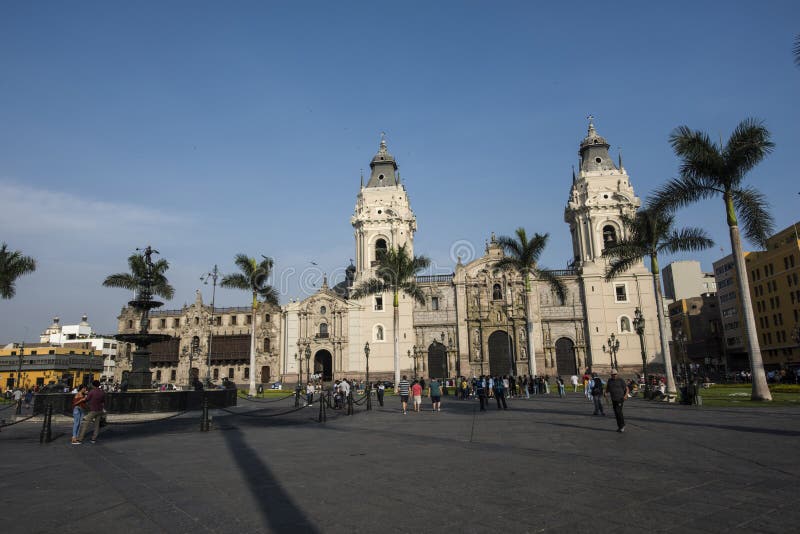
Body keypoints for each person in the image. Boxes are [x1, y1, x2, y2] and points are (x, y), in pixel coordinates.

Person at [76, 380, 106, 444]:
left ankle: (80, 439)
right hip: (99, 410)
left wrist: (82, 399)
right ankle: (93, 439)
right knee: (97, 425)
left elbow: (87, 399)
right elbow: (103, 402)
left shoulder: (92, 392)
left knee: (85, 424)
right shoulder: (102, 392)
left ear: (93, 385)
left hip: (93, 410)